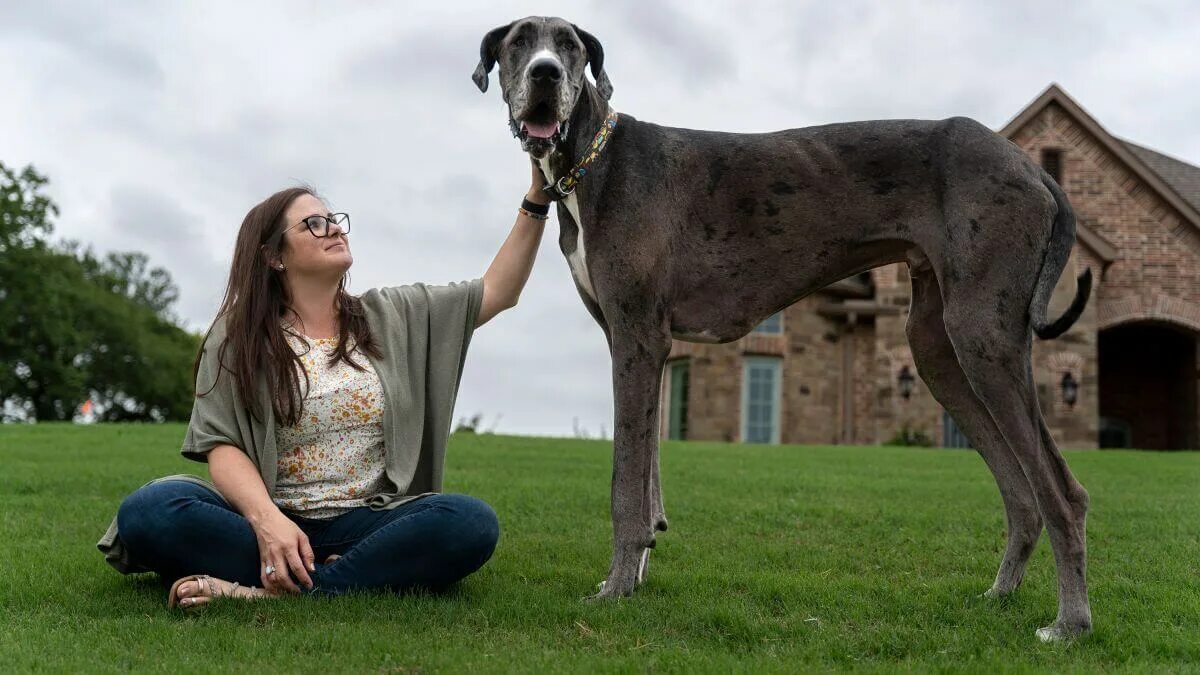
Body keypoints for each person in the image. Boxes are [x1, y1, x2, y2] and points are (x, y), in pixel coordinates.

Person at [97, 163, 552, 608]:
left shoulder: (393, 314)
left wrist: (537, 199)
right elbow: (222, 445)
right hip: (267, 521)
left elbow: (498, 291)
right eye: (313, 224)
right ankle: (339, 575)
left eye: (334, 220)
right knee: (149, 510)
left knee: (469, 523)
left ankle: (271, 591)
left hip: (367, 522)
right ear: (274, 256)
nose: (334, 229)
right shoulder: (238, 334)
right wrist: (268, 522)